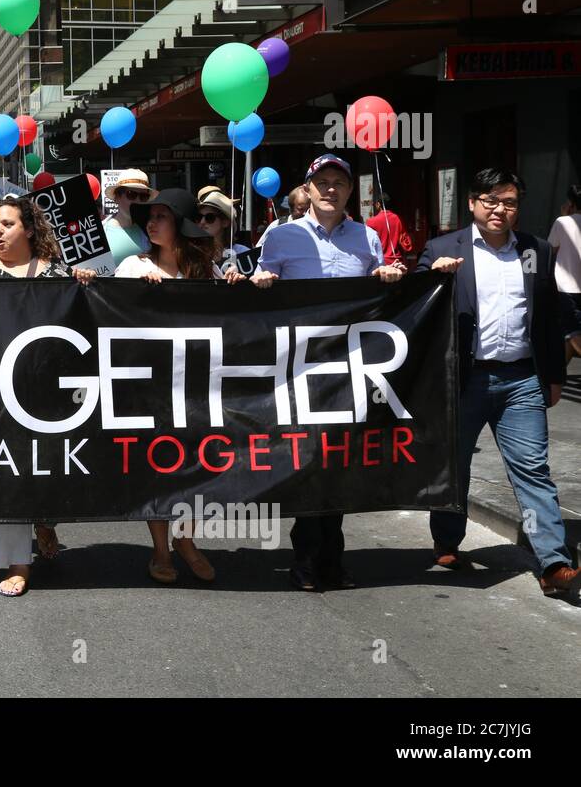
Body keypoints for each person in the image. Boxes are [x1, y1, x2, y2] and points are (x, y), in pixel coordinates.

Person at [417, 168, 578, 599]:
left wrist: (554, 377)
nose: (499, 210)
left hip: (521, 378)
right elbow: (414, 309)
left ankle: (554, 562)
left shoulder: (537, 250)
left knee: (533, 470)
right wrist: (435, 276)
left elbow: (549, 320)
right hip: (464, 379)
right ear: (471, 203)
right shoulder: (441, 249)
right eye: (490, 200)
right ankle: (447, 543)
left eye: (508, 202)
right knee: (457, 467)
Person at [251, 154, 404, 592]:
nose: (330, 189)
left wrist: (387, 278)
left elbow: (375, 294)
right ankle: (306, 559)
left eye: (339, 182)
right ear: (308, 188)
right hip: (299, 370)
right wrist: (264, 279)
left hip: (349, 371)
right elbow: (262, 290)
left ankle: (332, 558)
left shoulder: (368, 238)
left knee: (338, 463)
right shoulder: (282, 238)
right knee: (308, 461)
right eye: (323, 182)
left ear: (350, 190)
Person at [0, 197, 95, 597]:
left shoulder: (56, 273)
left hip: (46, 390)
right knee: (8, 473)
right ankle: (17, 562)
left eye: (7, 223)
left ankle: (45, 520)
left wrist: (85, 283)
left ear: (29, 229)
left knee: (47, 465)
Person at [114, 187, 244, 584]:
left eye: (162, 216)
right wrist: (137, 294)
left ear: (181, 226)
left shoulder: (208, 272)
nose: (151, 223)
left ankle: (186, 540)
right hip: (148, 389)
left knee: (193, 466)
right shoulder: (133, 268)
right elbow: (108, 315)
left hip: (197, 387)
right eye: (149, 216)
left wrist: (240, 286)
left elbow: (234, 320)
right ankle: (160, 549)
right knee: (157, 465)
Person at [548, 184, 581, 363]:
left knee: (571, 331)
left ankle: (558, 373)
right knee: (568, 333)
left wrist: (564, 216)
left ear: (570, 203)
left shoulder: (562, 222)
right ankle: (560, 372)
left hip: (565, 287)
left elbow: (551, 249)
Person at [101, 169, 154, 264]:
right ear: (117, 197)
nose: (137, 200)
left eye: (143, 196)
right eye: (131, 194)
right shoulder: (101, 232)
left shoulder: (153, 230)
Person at [197, 190, 248, 269]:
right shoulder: (194, 253)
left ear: (225, 222)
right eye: (199, 217)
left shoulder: (242, 252)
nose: (202, 222)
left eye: (209, 218)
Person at [366, 192, 413, 266]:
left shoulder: (371, 222)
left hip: (379, 264)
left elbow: (368, 246)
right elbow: (406, 244)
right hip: (396, 263)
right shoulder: (398, 219)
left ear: (378, 204)